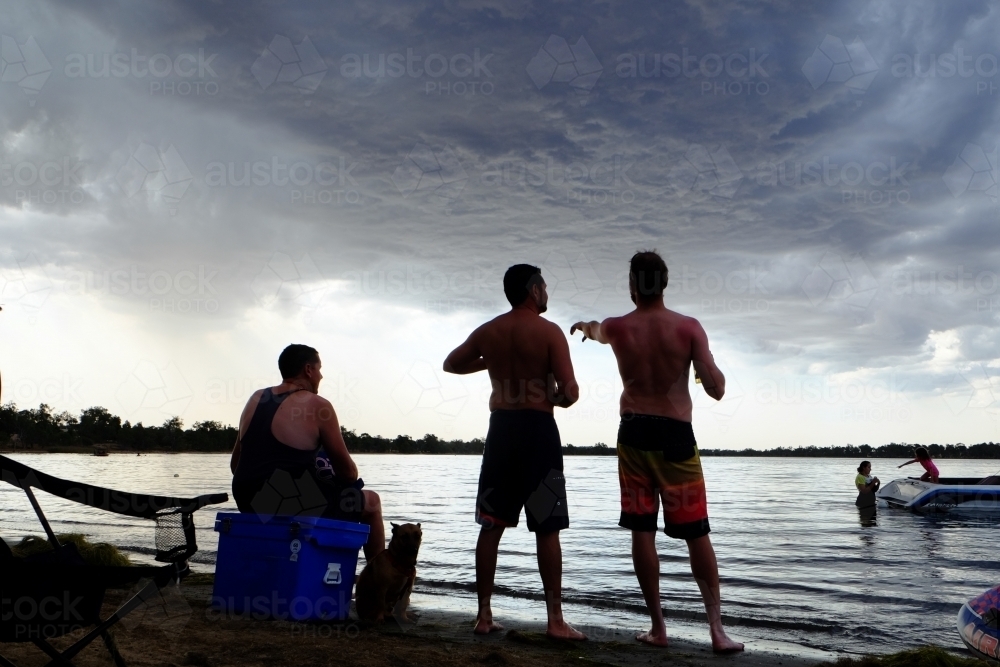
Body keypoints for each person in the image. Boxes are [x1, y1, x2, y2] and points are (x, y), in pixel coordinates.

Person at [569, 250, 743, 653]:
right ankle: (717, 631)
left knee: (642, 531)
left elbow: (597, 329)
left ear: (633, 285)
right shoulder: (688, 328)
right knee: (697, 534)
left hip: (633, 436)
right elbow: (717, 390)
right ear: (664, 284)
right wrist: (706, 368)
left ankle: (658, 628)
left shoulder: (618, 327)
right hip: (676, 436)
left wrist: (585, 326)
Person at [443, 264, 585, 640]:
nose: (547, 292)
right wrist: (557, 395)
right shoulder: (550, 332)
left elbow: (452, 364)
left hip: (502, 431)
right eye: (545, 286)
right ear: (534, 290)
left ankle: (484, 615)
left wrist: (491, 361)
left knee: (492, 524)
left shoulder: (489, 330)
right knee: (548, 528)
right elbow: (570, 392)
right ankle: (555, 621)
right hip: (538, 431)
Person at [230, 344, 384, 560]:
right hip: (284, 504)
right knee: (371, 502)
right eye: (320, 369)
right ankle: (378, 586)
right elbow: (348, 474)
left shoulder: (256, 398)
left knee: (315, 494)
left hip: (247, 500)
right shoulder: (318, 405)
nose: (321, 376)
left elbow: (235, 465)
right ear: (308, 369)